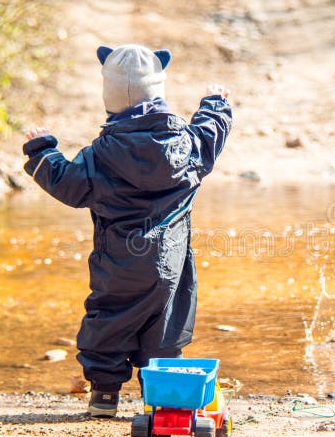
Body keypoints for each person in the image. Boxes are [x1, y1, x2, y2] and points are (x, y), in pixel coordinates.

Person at [22, 44, 232, 417]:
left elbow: (67, 184)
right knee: (165, 328)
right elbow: (209, 136)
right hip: (169, 264)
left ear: (111, 97)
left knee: (109, 320)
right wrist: (214, 105)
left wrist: (42, 151)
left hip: (116, 263)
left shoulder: (100, 155)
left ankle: (104, 395)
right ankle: (164, 400)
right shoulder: (185, 147)